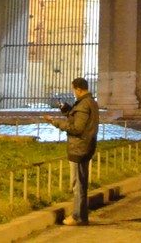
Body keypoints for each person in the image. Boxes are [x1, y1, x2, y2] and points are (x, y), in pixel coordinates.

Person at [53, 77, 99, 226]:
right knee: (81, 183)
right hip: (86, 146)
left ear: (78, 89)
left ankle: (78, 216)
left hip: (79, 147)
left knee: (77, 184)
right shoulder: (90, 102)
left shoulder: (84, 104)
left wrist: (56, 122)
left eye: (74, 89)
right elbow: (78, 118)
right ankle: (82, 216)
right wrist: (66, 110)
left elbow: (77, 128)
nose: (73, 92)